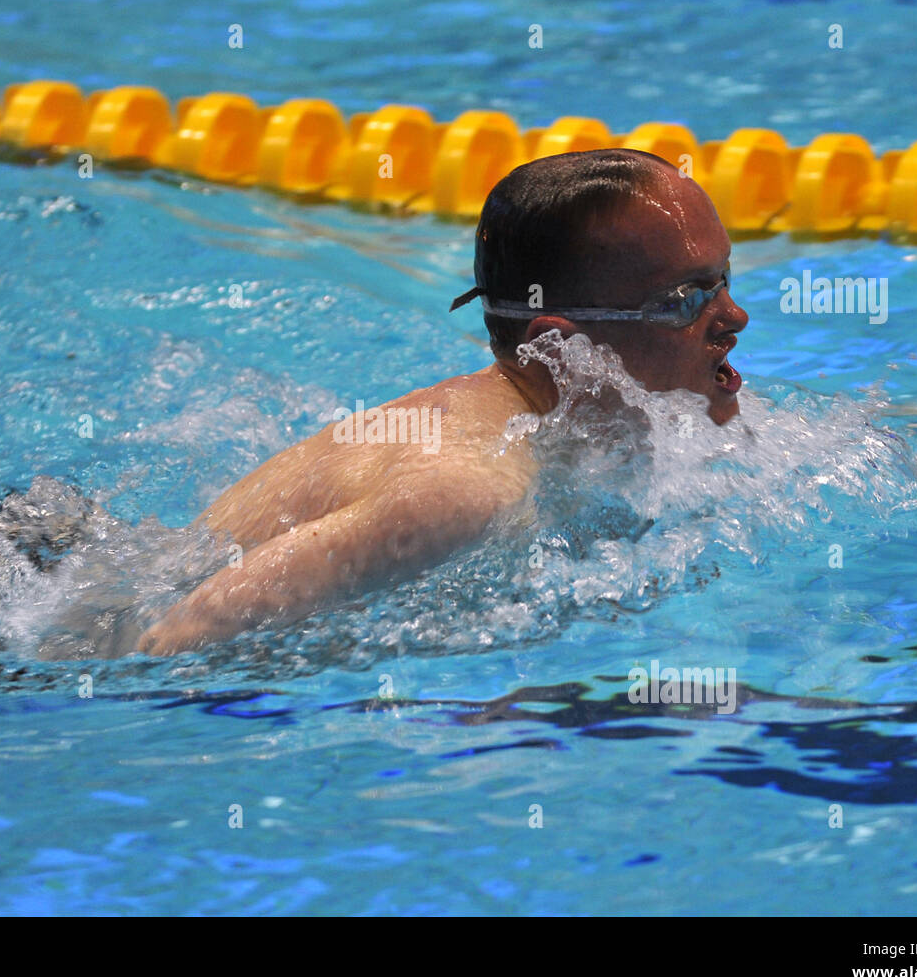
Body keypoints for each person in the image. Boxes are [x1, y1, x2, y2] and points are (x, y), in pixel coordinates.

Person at [136, 148, 749, 655]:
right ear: (561, 351)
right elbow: (167, 648)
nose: (734, 317)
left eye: (724, 278)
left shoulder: (562, 434)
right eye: (686, 300)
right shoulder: (462, 492)